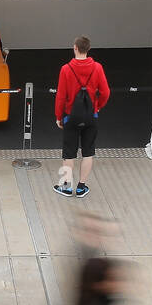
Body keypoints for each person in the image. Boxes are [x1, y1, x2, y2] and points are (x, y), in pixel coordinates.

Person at [53, 35, 110, 198]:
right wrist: (97, 106)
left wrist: (58, 116)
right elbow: (106, 92)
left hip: (71, 116)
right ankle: (81, 187)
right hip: (91, 116)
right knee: (88, 152)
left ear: (75, 48)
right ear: (88, 49)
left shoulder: (66, 69)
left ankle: (66, 186)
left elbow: (61, 96)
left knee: (69, 153)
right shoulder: (97, 68)